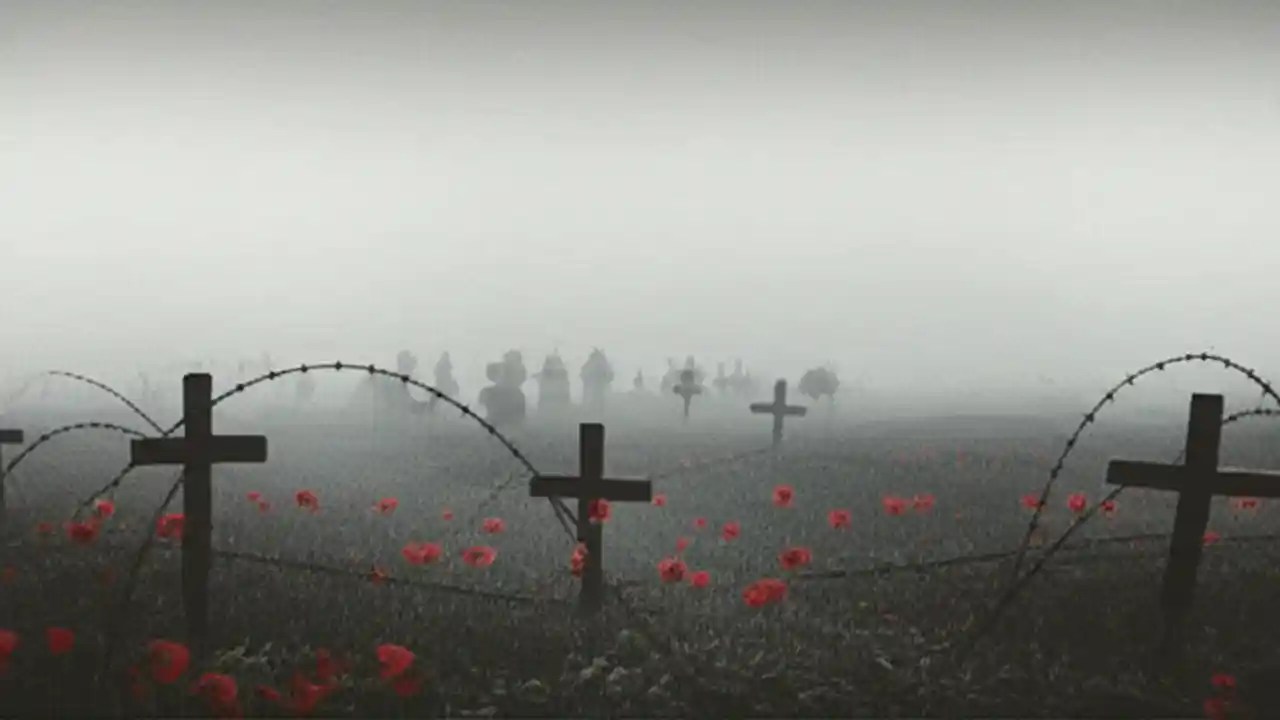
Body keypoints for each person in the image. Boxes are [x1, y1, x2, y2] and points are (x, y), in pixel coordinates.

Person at [478, 361, 526, 427]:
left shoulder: (486, 392)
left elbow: (520, 417)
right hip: (493, 427)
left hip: (503, 428)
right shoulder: (486, 392)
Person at [580, 348, 614, 413]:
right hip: (594, 383)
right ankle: (593, 410)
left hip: (597, 383)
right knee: (595, 396)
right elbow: (584, 371)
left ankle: (596, 410)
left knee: (598, 396)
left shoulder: (598, 362)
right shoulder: (594, 362)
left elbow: (608, 372)